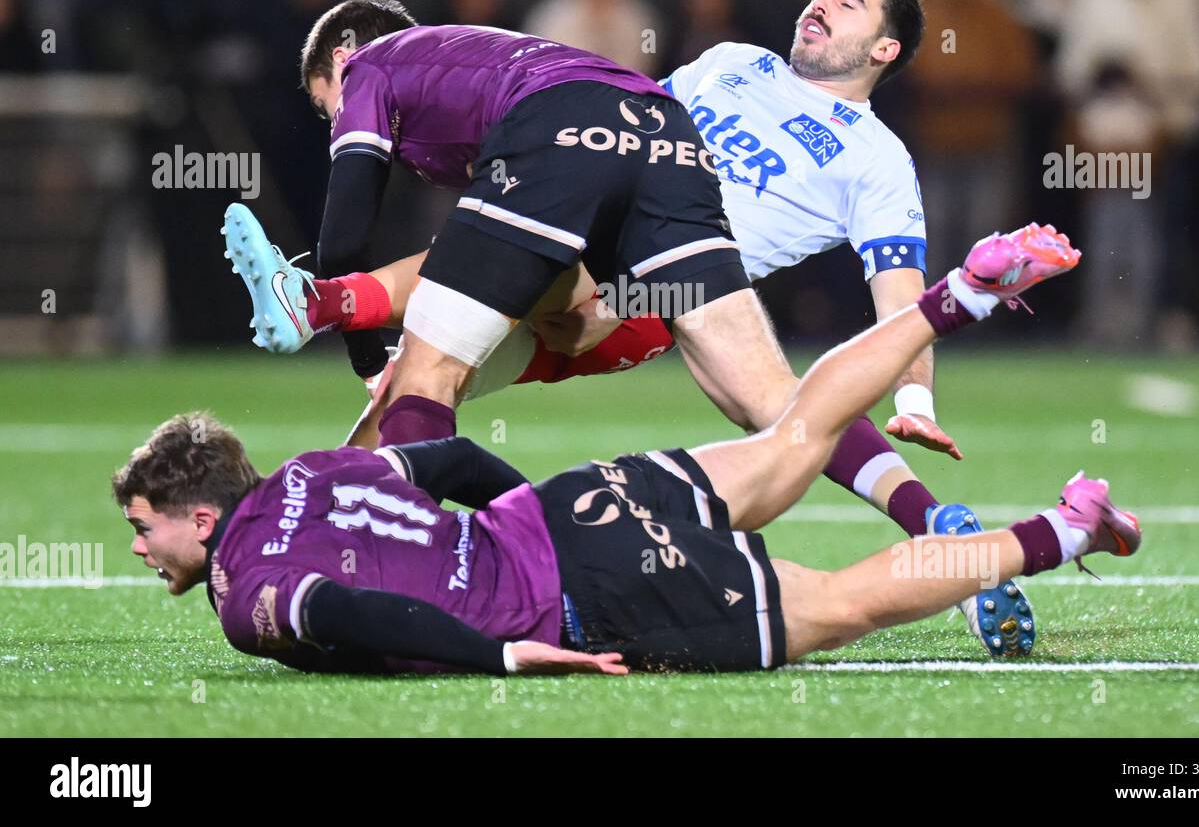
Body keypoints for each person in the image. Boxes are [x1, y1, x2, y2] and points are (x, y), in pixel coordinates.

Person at [225, 0, 1047, 656]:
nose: (822, 1)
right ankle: (327, 534)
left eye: (850, 0)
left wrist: (914, 397)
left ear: (886, 47)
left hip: (667, 287)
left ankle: (324, 302)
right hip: (600, 233)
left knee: (749, 396)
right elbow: (619, 133)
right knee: (416, 383)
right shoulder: (730, 62)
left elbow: (900, 297)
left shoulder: (877, 159)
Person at [119, 224, 1138, 674]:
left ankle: (1065, 525)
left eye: (142, 527)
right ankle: (954, 297)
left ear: (202, 515)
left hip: (585, 597)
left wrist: (504, 650)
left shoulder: (242, 593)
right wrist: (550, 524)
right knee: (793, 432)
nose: (138, 549)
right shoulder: (313, 467)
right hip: (570, 509)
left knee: (847, 597)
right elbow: (463, 468)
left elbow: (344, 609)